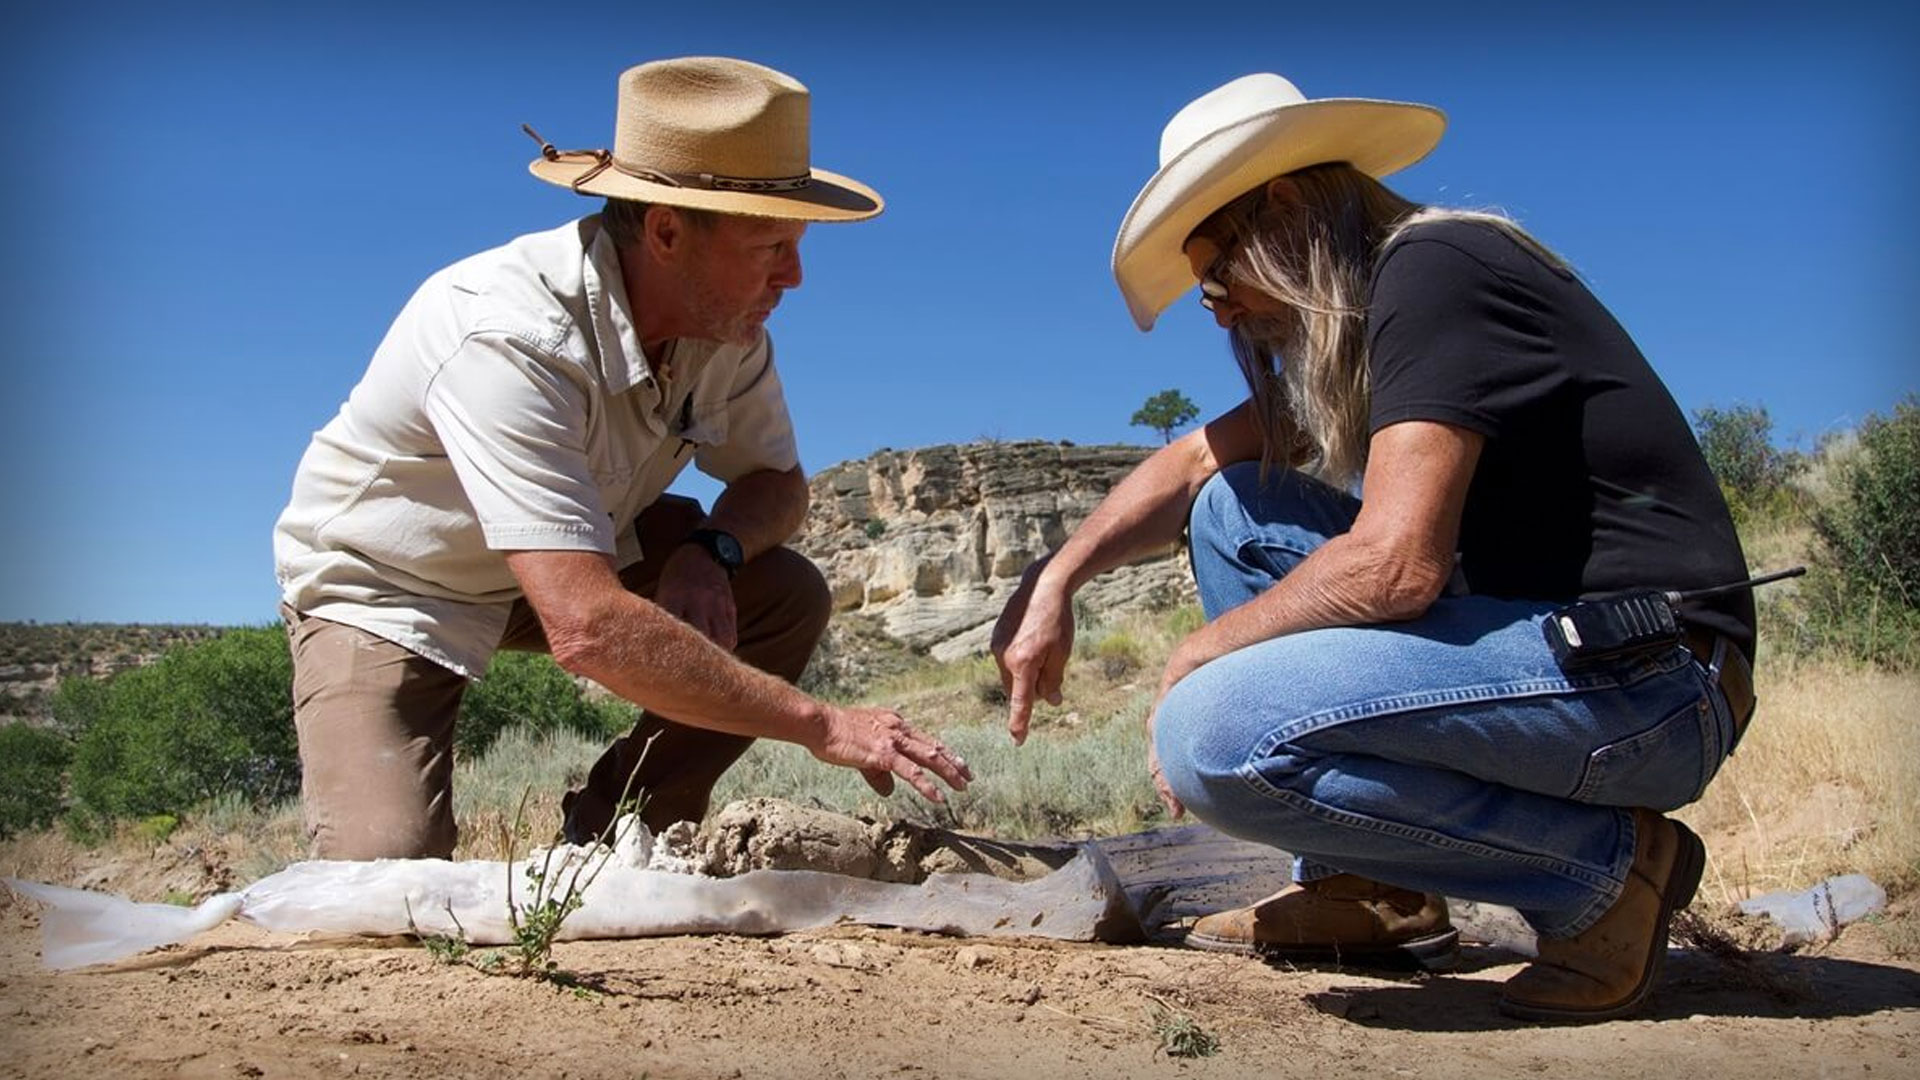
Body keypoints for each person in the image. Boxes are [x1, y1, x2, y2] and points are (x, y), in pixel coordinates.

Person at [992, 72, 1756, 1023]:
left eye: (1217, 274)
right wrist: (1056, 576)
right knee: (1237, 505)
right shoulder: (1366, 321)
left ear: (1280, 206)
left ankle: (1607, 877)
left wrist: (1193, 659)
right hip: (1549, 652)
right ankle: (1369, 889)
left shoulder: (1434, 270)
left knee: (1215, 735)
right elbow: (1195, 462)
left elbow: (1396, 566)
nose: (1220, 309)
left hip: (1652, 683)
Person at [274, 56, 969, 863]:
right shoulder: (508, 335)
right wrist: (821, 724)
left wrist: (712, 555)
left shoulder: (728, 333)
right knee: (384, 876)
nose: (796, 276)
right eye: (770, 245)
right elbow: (587, 628)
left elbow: (777, 484)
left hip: (573, 563)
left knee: (783, 593)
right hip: (395, 587)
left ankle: (619, 834)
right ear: (668, 231)